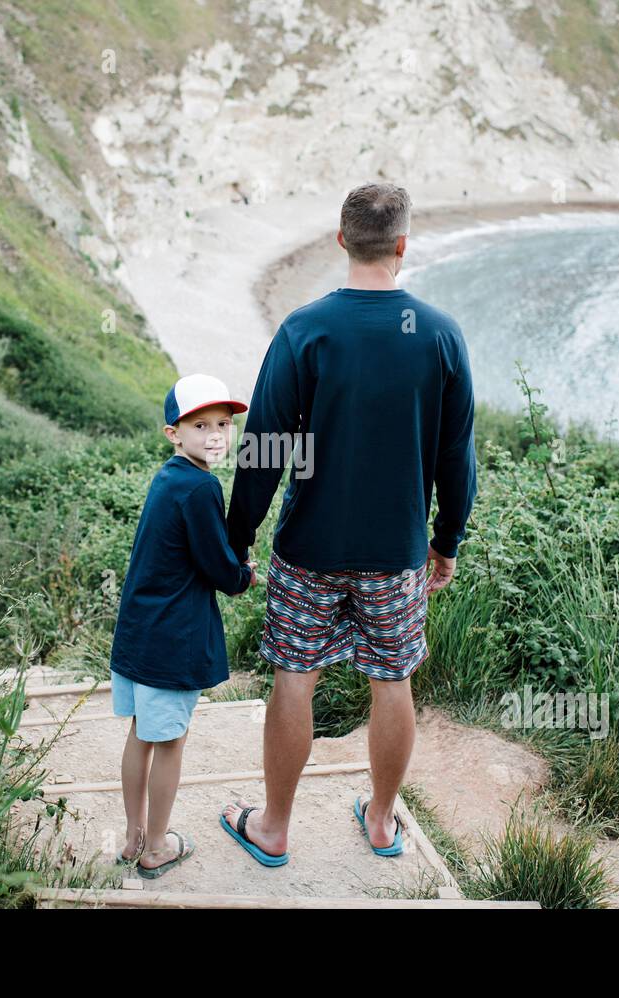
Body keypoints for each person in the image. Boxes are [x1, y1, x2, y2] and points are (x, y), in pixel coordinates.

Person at [220, 181, 478, 865]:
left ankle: (273, 827)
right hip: (396, 554)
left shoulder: (306, 330)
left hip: (308, 549)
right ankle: (384, 821)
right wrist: (445, 541)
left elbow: (265, 447)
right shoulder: (440, 335)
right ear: (401, 245)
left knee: (293, 677)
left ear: (341, 240)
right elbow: (458, 459)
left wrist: (236, 539)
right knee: (392, 680)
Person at [108, 372, 263, 878]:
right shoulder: (200, 487)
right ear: (173, 432)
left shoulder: (169, 477)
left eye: (223, 424)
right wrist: (243, 576)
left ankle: (133, 837)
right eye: (201, 425)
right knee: (170, 742)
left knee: (140, 735)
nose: (216, 434)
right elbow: (216, 565)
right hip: (173, 639)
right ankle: (156, 847)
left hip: (140, 631)